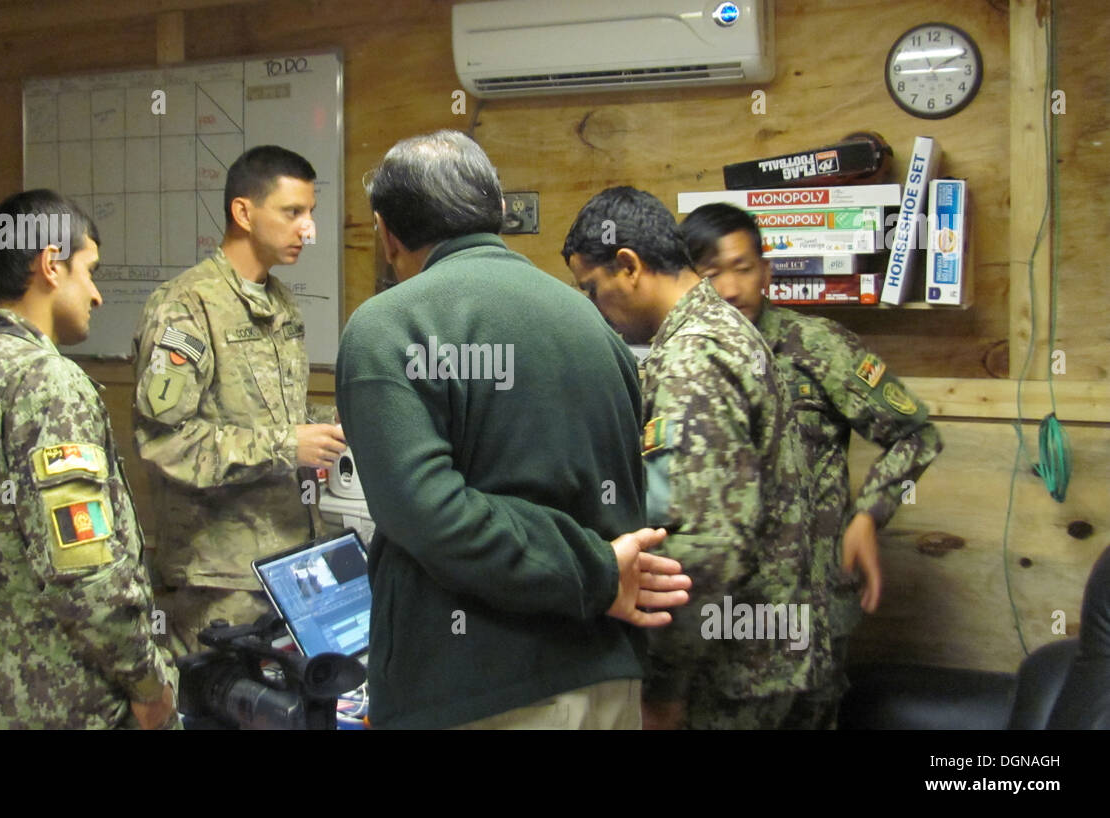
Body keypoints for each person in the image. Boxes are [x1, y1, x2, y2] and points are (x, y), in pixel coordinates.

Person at [336, 131, 691, 730]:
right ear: (496, 213)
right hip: (607, 678)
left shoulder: (388, 324)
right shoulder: (591, 319)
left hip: (482, 692)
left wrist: (595, 569)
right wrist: (600, 568)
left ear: (386, 232)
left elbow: (430, 514)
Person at [0, 190, 178, 730]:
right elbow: (87, 571)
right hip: (76, 706)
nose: (95, 295)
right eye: (88, 271)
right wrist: (147, 683)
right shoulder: (48, 384)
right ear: (50, 265)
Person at [563, 186, 820, 730]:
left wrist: (663, 688)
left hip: (724, 674)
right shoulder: (721, 331)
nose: (593, 306)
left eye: (592, 287)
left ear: (628, 266)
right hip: (758, 649)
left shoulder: (692, 358)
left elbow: (702, 546)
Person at [682, 201, 942, 727]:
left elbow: (915, 433)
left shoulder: (815, 346)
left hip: (816, 620)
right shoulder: (681, 360)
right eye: (712, 275)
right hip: (727, 632)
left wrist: (869, 515)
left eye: (744, 268)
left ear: (767, 270)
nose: (731, 290)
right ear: (690, 280)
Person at [133, 146, 345, 657]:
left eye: (310, 213)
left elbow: (276, 416)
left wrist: (332, 426)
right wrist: (285, 446)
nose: (308, 228)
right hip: (221, 580)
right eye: (292, 212)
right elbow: (165, 445)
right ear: (244, 212)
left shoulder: (278, 300)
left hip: (289, 560)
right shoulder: (186, 307)